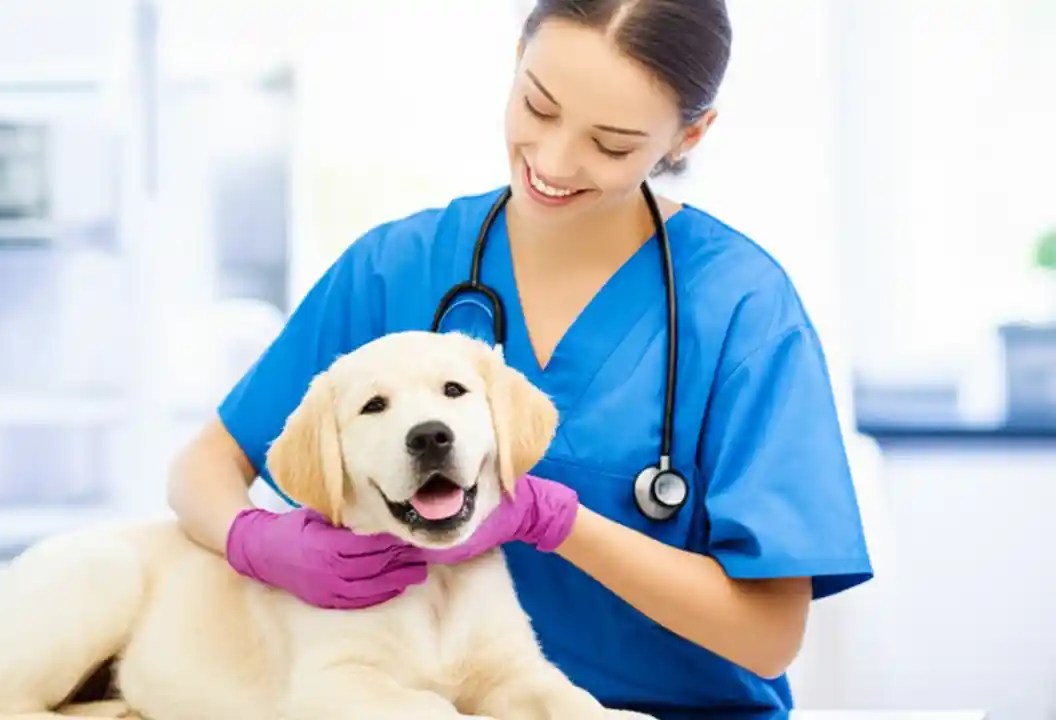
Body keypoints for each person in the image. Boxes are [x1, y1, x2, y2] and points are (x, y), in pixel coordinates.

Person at [167, 0, 873, 715]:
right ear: (517, 61)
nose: (555, 161)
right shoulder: (398, 267)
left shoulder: (741, 309)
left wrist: (558, 522)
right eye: (539, 106)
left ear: (687, 136)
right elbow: (205, 466)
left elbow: (769, 635)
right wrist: (256, 541)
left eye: (613, 143)